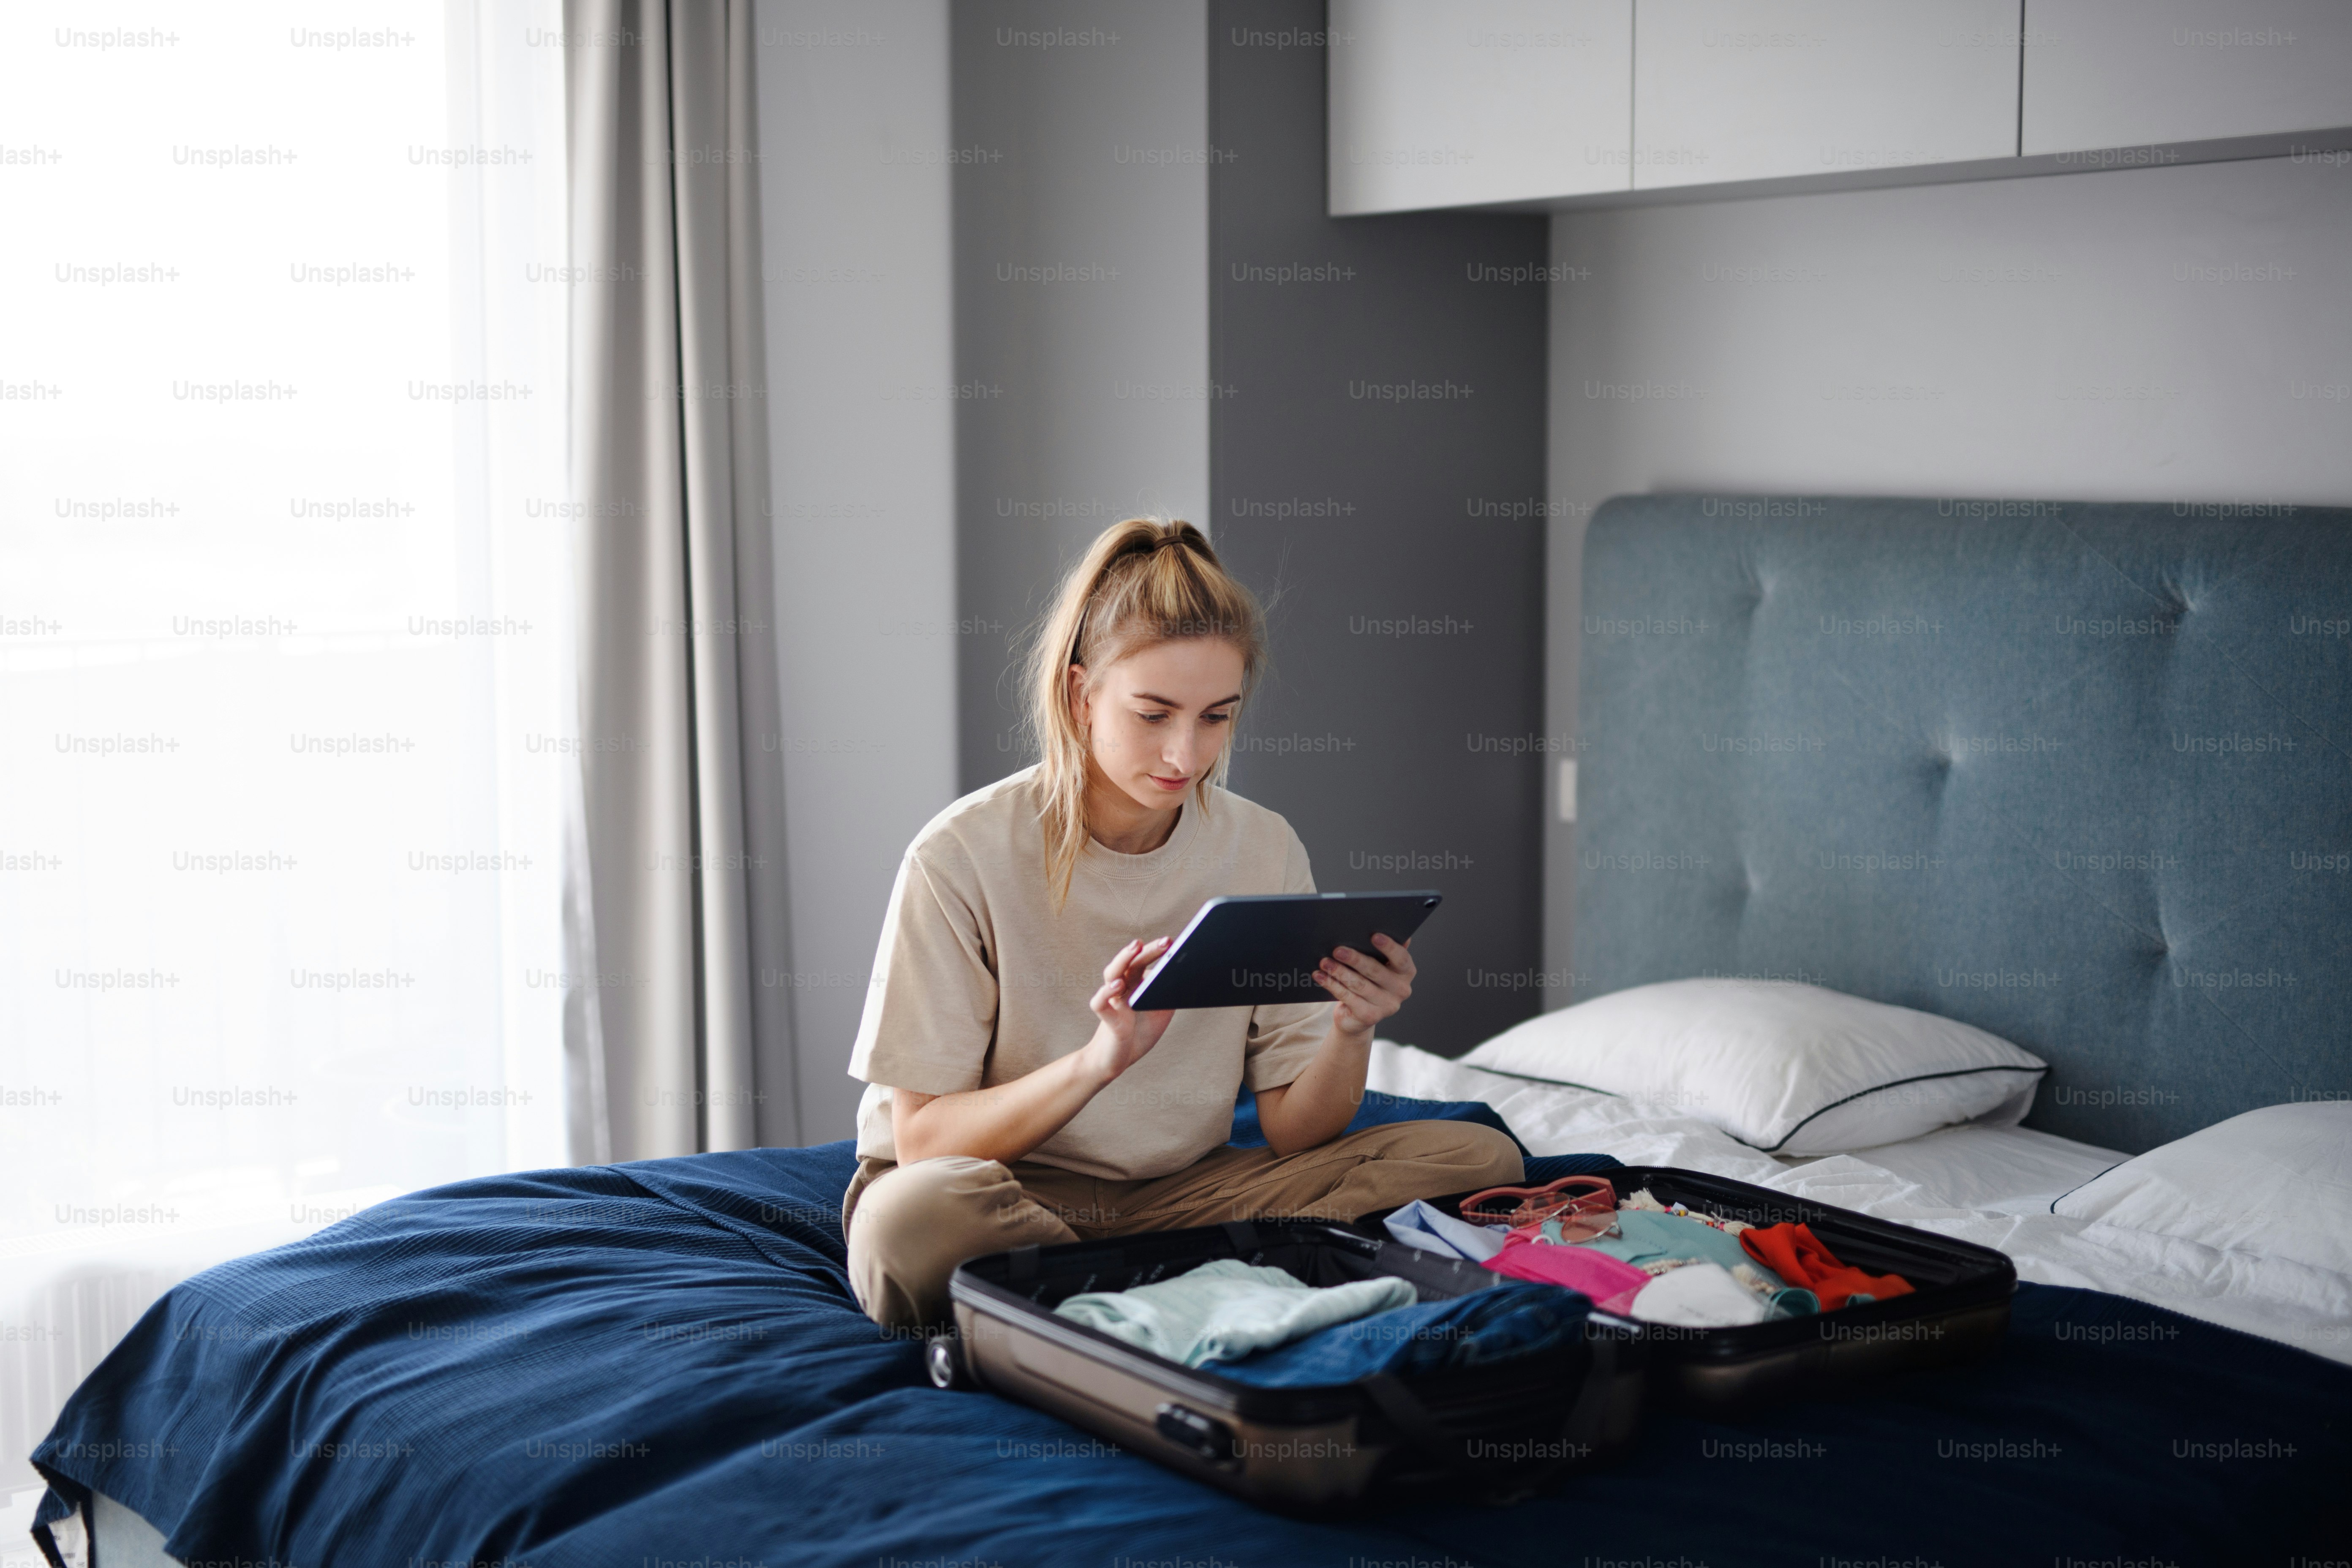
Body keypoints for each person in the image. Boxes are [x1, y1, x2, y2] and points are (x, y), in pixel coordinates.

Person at [841, 517, 1522, 1328]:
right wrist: (1101, 1060)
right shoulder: (959, 855)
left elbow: (1295, 1131)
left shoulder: (1263, 846)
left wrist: (1351, 1026)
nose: (1186, 756)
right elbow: (923, 1143)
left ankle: (1097, 1295)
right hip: (1000, 1189)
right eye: (1153, 714)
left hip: (1179, 1196)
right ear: (1079, 693)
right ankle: (1188, 1284)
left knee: (1478, 1157)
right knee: (907, 1223)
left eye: (1216, 718)